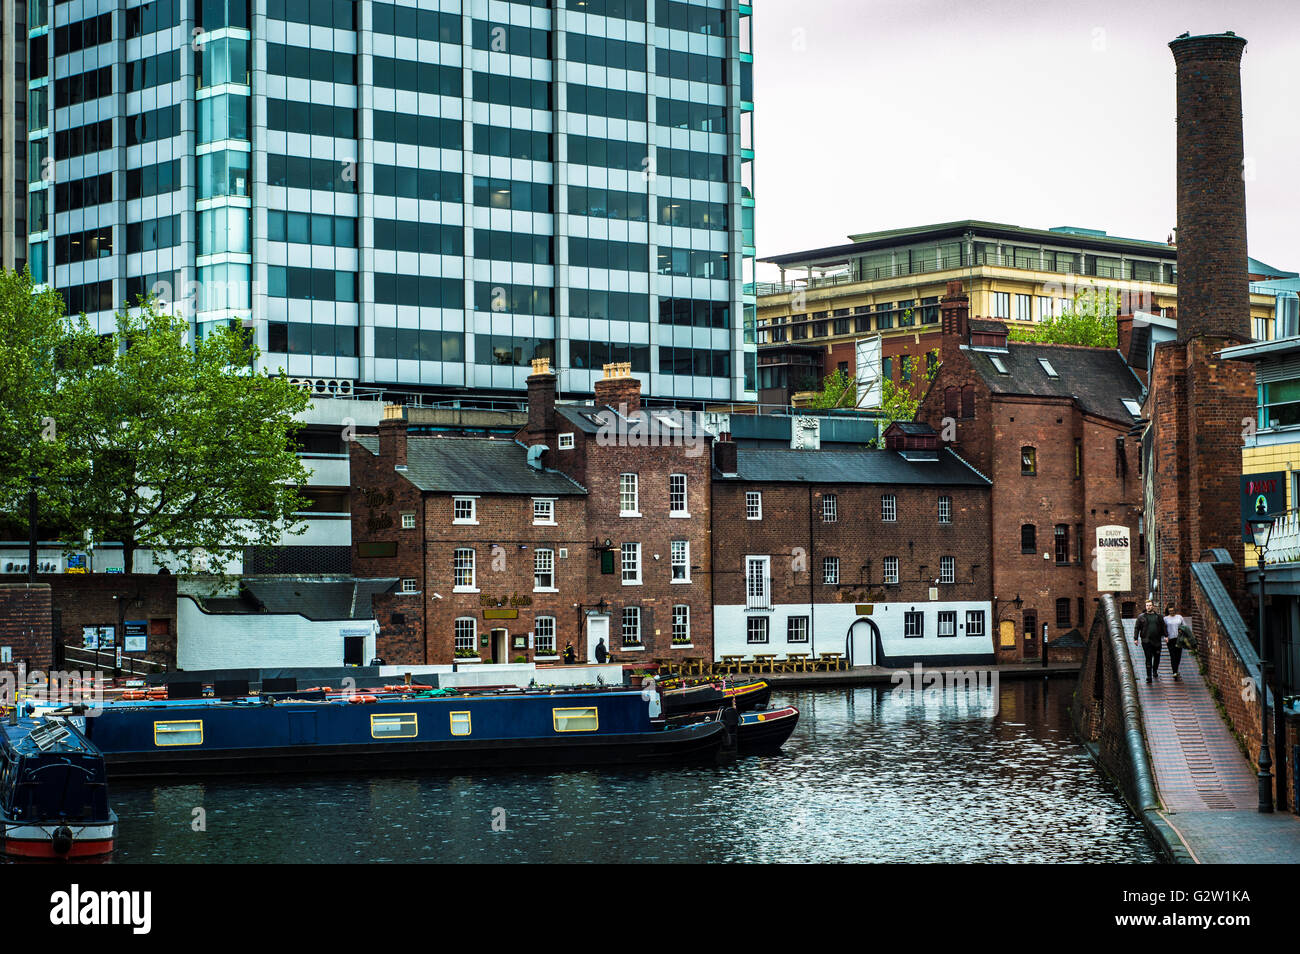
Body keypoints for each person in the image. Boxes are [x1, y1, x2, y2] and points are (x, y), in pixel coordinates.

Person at [1134, 600, 1164, 684]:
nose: (1148, 607)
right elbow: (1137, 628)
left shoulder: (1158, 617)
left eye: (1150, 605)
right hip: (1146, 641)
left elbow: (1163, 626)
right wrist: (1135, 638)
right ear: (1145, 606)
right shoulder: (1141, 617)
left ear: (1153, 606)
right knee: (1148, 657)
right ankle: (1149, 676)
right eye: (1147, 605)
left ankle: (1154, 670)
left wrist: (1166, 636)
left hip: (1157, 641)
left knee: (1157, 657)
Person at [1163, 603, 1186, 681]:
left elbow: (1184, 627)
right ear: (1168, 611)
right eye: (1170, 611)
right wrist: (1165, 637)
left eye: (1172, 611)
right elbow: (1163, 629)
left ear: (1175, 610)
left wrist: (1182, 632)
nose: (1171, 612)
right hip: (1170, 639)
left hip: (1179, 639)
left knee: (1178, 655)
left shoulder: (1179, 617)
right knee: (1173, 655)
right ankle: (1174, 672)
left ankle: (1176, 669)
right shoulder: (1166, 619)